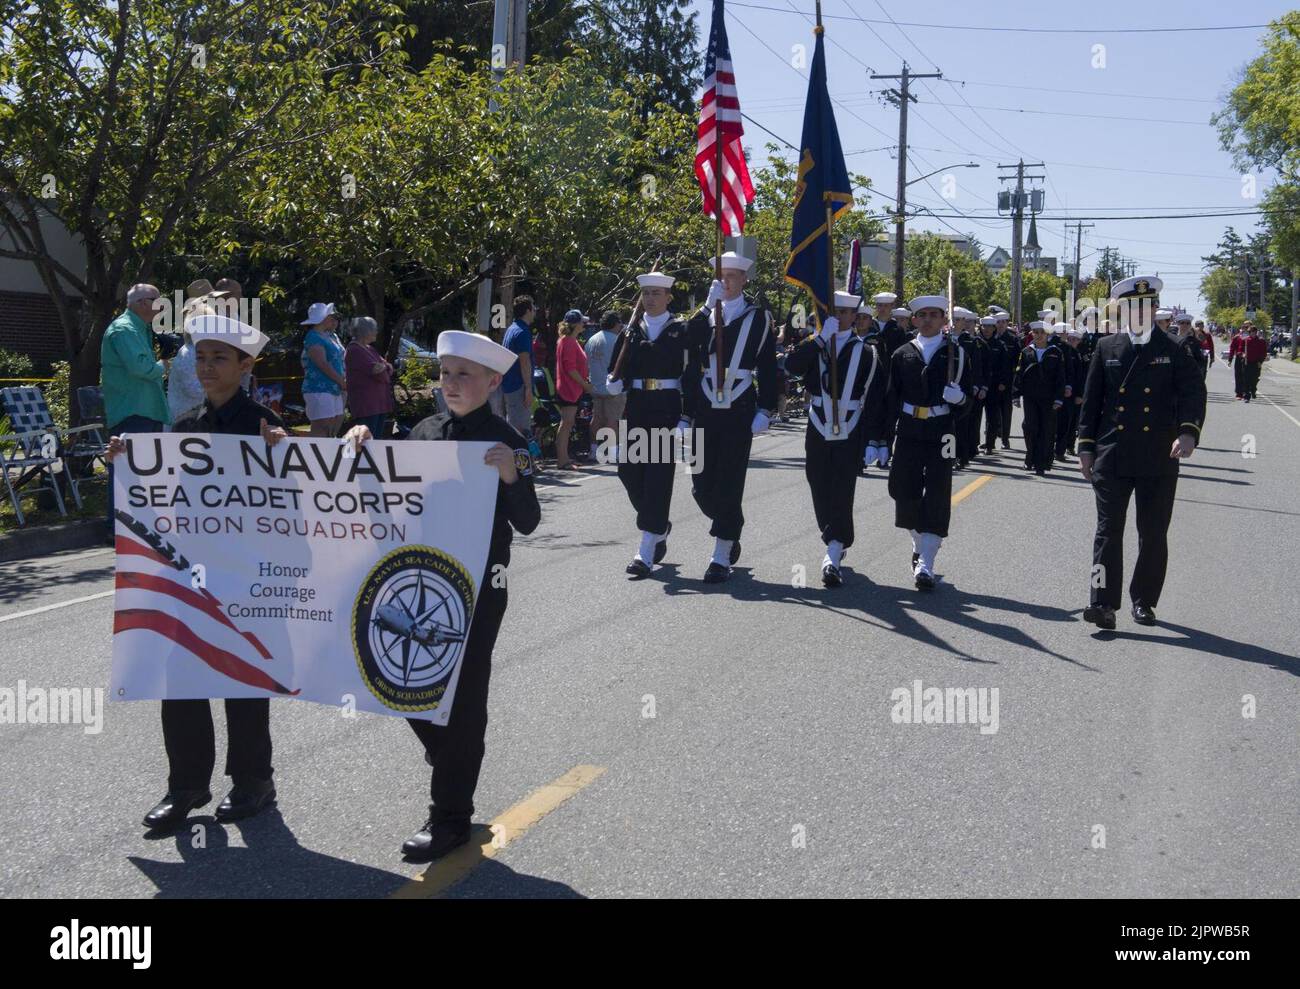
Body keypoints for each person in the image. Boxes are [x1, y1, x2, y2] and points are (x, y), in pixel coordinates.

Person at [345, 330, 540, 861]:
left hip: (480, 586)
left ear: (493, 381)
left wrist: (509, 477)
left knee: (464, 695)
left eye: (465, 375)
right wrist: (364, 443)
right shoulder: (423, 430)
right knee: (401, 681)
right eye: (446, 373)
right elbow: (390, 493)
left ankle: (451, 818)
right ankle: (450, 754)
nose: (452, 384)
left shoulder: (509, 441)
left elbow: (528, 520)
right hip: (417, 581)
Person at [106, 312, 289, 830]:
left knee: (243, 679)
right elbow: (162, 500)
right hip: (191, 577)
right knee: (179, 677)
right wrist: (127, 461)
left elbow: (299, 509)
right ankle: (186, 786)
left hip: (248, 575)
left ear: (245, 365)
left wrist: (283, 459)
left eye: (219, 359)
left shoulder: (265, 428)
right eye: (201, 358)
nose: (207, 368)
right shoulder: (184, 427)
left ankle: (254, 781)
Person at [1078, 276, 1206, 629]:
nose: (1140, 312)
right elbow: (1092, 404)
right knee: (1108, 530)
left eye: (1147, 305)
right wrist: (1085, 448)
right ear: (1123, 310)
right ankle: (1102, 603)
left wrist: (1188, 432)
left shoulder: (1175, 348)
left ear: (1154, 309)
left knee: (1152, 532)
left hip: (1158, 454)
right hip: (1113, 454)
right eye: (1133, 306)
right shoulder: (1107, 347)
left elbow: (1194, 394)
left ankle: (1144, 601)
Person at [784, 291, 888, 587]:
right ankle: (833, 535)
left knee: (842, 486)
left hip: (851, 424)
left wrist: (875, 440)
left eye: (845, 312)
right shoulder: (815, 344)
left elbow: (877, 399)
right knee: (817, 480)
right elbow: (792, 367)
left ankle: (834, 549)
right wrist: (818, 340)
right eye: (835, 311)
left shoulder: (868, 352)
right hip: (819, 422)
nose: (840, 317)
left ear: (855, 317)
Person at [685, 252, 778, 582]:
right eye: (722, 275)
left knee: (729, 479)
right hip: (705, 405)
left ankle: (721, 553)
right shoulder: (706, 313)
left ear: (744, 280)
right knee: (700, 483)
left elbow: (768, 366)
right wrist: (706, 310)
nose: (727, 280)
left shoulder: (758, 318)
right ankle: (730, 523)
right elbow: (687, 345)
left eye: (733, 275)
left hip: (739, 406)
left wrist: (766, 408)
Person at [605, 271, 694, 578]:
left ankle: (645, 550)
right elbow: (616, 368)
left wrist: (687, 415)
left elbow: (692, 375)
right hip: (637, 406)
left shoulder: (681, 330)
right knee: (628, 470)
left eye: (657, 293)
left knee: (657, 474)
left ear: (669, 297)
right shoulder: (631, 331)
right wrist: (614, 382)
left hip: (666, 406)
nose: (651, 298)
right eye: (646, 294)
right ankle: (659, 524)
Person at [885, 295, 973, 590]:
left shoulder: (957, 355)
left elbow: (969, 399)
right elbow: (890, 397)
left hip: (943, 431)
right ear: (913, 320)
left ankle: (927, 563)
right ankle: (918, 541)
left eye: (934, 315)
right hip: (909, 428)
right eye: (922, 315)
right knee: (901, 489)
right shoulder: (902, 354)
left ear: (943, 320)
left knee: (937, 491)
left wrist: (959, 398)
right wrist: (881, 439)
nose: (927, 319)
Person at [101, 283, 171, 539]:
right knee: (126, 470)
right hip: (132, 411)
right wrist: (162, 365)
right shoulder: (125, 329)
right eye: (157, 300)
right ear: (142, 303)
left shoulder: (136, 328)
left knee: (140, 472)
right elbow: (140, 368)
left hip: (142, 409)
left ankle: (132, 526)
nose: (160, 305)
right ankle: (117, 528)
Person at [1012, 320, 1065, 476]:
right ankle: (1030, 459)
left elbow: (1061, 377)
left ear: (1047, 334)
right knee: (1030, 427)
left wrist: (1058, 398)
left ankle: (1041, 463)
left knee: (1045, 430)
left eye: (1042, 332)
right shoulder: (1026, 351)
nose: (1039, 335)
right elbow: (1019, 374)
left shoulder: (1056, 352)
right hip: (1030, 396)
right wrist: (1015, 395)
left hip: (1049, 398)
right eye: (1036, 332)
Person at [300, 302, 347, 437]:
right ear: (322, 319)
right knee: (323, 425)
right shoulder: (313, 337)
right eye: (330, 316)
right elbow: (322, 363)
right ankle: (312, 456)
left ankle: (329, 455)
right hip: (318, 388)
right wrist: (341, 382)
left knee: (334, 423)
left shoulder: (331, 337)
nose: (333, 319)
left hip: (334, 387)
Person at [344, 316, 395, 438]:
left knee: (376, 440)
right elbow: (376, 370)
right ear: (365, 331)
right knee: (366, 441)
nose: (377, 332)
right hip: (366, 404)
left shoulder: (370, 349)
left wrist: (384, 367)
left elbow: (388, 367)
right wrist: (384, 368)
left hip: (379, 403)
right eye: (374, 329)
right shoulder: (354, 350)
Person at [586, 311, 627, 460]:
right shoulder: (617, 340)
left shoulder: (591, 340)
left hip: (595, 386)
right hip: (612, 387)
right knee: (612, 419)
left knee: (596, 418)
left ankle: (593, 450)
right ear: (615, 324)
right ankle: (613, 452)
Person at [554, 310, 592, 469]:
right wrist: (585, 385)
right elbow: (570, 369)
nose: (584, 323)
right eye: (582, 321)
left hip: (572, 388)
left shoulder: (569, 340)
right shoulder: (568, 341)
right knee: (567, 423)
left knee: (568, 423)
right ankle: (562, 460)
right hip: (568, 388)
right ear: (575, 324)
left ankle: (565, 458)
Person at [501, 296, 536, 437]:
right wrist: (528, 388)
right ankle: (518, 458)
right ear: (528, 310)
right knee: (521, 431)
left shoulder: (512, 329)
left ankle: (514, 457)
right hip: (518, 387)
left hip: (510, 385)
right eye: (533, 308)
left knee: (513, 426)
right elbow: (524, 361)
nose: (535, 311)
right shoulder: (522, 332)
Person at [976, 316, 1008, 454]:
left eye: (990, 327)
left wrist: (1002, 382)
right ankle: (974, 443)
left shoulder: (999, 345)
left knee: (992, 416)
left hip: (994, 386)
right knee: (975, 416)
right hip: (978, 384)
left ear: (994, 328)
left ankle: (990, 444)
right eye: (984, 327)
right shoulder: (976, 343)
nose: (987, 330)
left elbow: (1005, 366)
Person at [1055, 326, 1087, 460]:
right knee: (1056, 422)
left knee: (1069, 423)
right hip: (1058, 392)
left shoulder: (1078, 354)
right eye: (1070, 338)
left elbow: (1080, 377)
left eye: (1075, 339)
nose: (1072, 341)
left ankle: (1064, 449)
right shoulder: (1062, 350)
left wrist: (1080, 394)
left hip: (1072, 394)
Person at [992, 312, 1018, 450]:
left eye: (1003, 322)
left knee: (1005, 411)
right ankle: (991, 438)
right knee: (992, 410)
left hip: (1007, 381)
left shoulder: (1013, 339)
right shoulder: (991, 337)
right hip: (992, 381)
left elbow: (1016, 363)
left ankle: (1005, 439)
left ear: (1007, 323)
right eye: (998, 322)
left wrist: (1011, 382)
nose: (1000, 324)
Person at [1228, 322, 1267, 401]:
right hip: (1242, 360)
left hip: (1254, 361)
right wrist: (1232, 358)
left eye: (1249, 327)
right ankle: (1241, 393)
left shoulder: (1259, 340)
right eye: (1246, 328)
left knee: (1253, 378)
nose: (1247, 329)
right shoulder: (1239, 338)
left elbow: (1263, 352)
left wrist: (1260, 360)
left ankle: (1251, 390)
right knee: (1241, 377)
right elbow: (1234, 349)